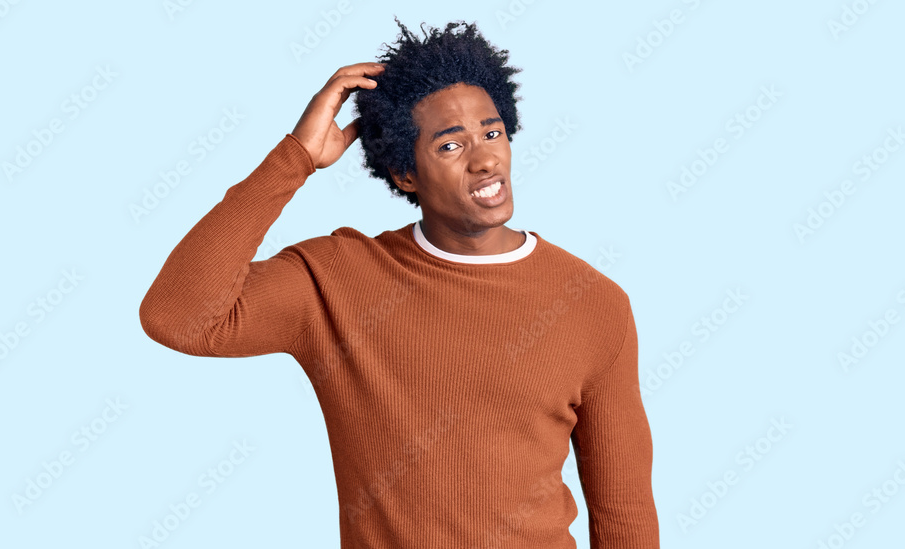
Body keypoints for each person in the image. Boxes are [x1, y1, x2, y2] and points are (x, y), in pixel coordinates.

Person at [139, 17, 659, 548]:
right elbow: (179, 318)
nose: (485, 159)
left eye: (492, 132)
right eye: (450, 146)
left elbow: (624, 512)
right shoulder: (337, 281)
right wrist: (293, 159)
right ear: (404, 175)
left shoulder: (593, 303)